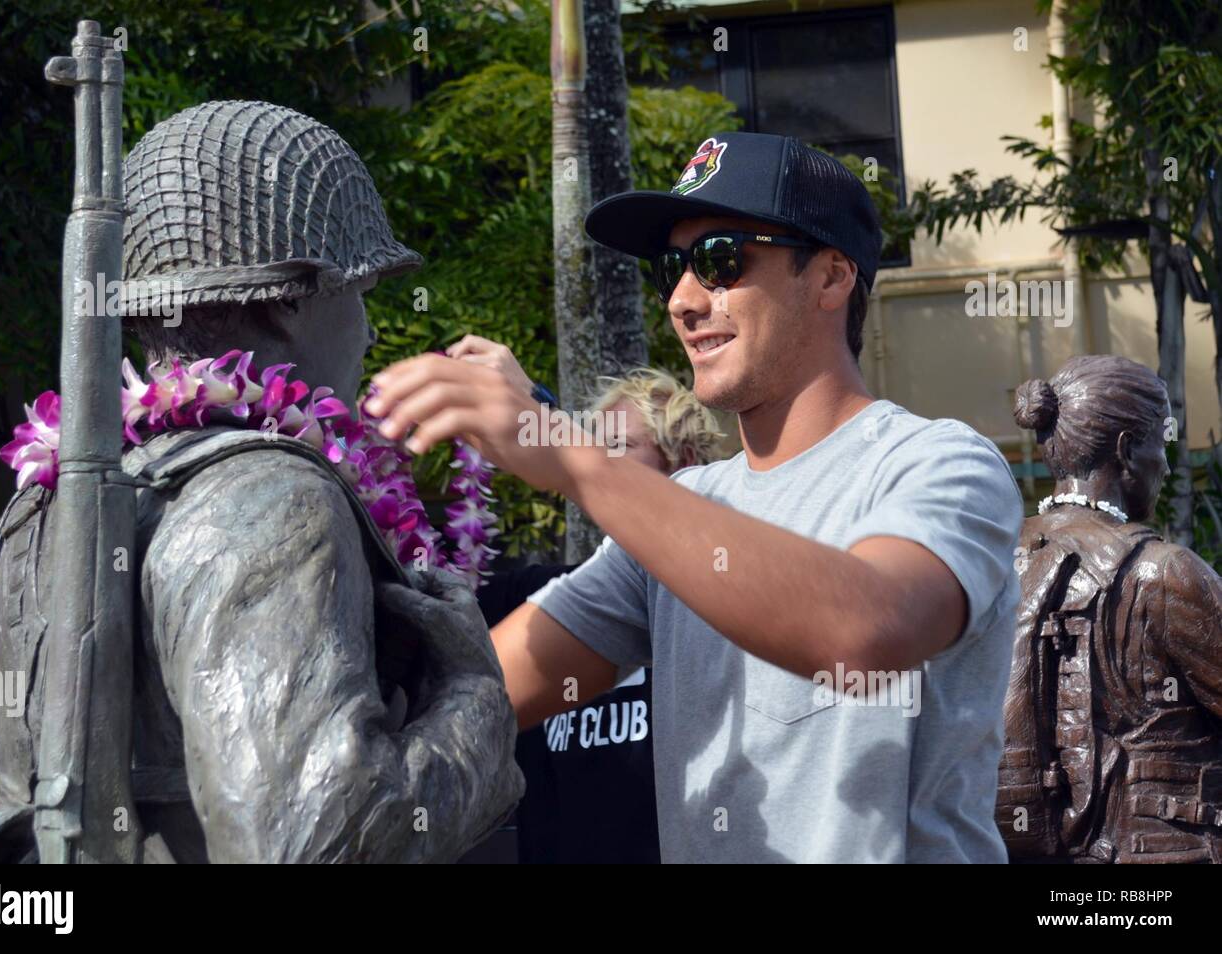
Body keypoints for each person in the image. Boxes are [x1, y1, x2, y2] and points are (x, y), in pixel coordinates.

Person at [366, 131, 1025, 862]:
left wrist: (574, 457)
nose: (682, 300)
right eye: (671, 268)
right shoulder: (685, 513)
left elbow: (869, 627)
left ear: (832, 278)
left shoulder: (938, 463)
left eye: (720, 261)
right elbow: (477, 689)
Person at [0, 101, 523, 864]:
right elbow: (319, 840)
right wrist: (473, 698)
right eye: (358, 292)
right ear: (284, 306)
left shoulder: (37, 503)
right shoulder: (273, 501)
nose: (370, 331)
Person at [449, 335, 725, 862]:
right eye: (592, 445)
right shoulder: (541, 594)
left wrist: (538, 409)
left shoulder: (715, 595)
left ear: (683, 461)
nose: (596, 461)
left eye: (619, 447)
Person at [999, 355, 1222, 863]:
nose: (1165, 465)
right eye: (1159, 446)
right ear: (1125, 452)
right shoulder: (1162, 572)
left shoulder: (993, 557)